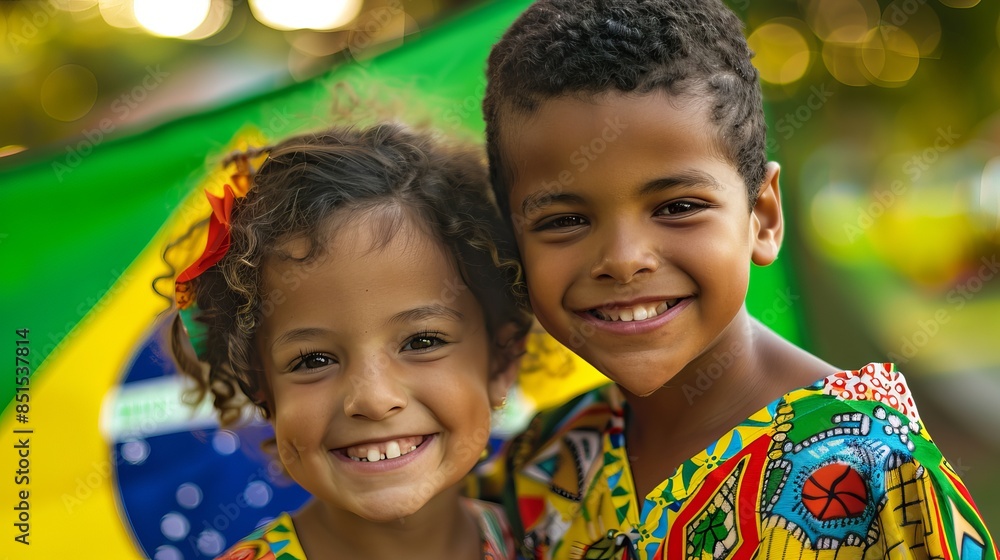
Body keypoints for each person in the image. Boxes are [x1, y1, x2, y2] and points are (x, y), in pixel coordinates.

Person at [481, 1, 997, 558]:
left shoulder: (877, 472)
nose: (625, 259)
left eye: (678, 206)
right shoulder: (545, 457)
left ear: (764, 218)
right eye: (565, 220)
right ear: (513, 244)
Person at [168, 123, 532, 559]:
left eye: (421, 342)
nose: (374, 400)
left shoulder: (564, 537)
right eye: (313, 360)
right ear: (260, 386)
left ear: (501, 361)